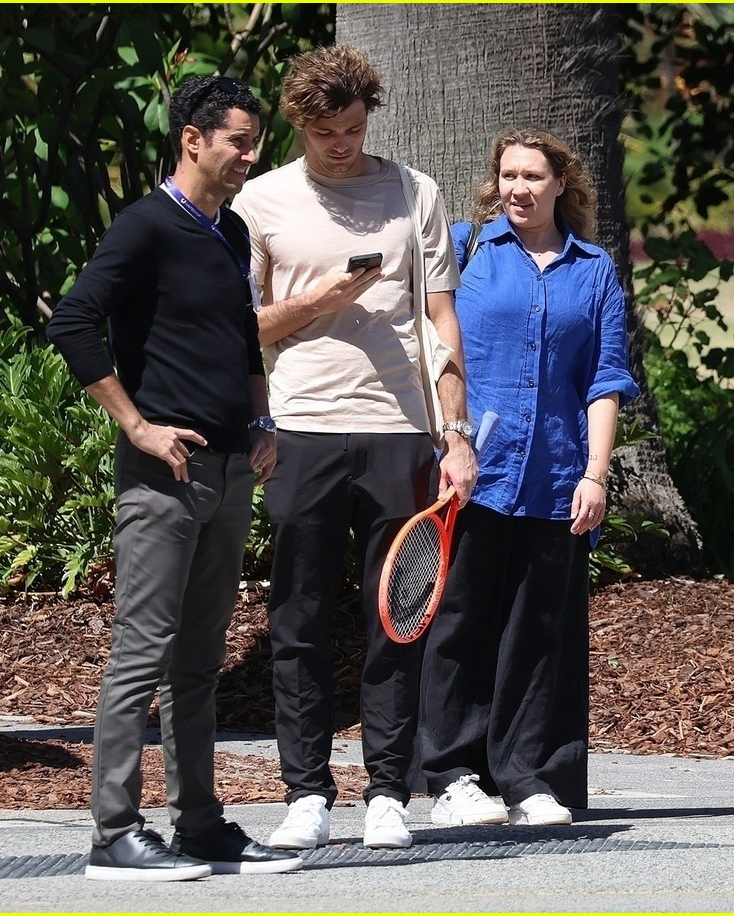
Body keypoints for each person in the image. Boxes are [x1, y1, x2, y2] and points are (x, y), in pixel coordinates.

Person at [47, 75, 300, 880]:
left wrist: (261, 420)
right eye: (239, 143)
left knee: (198, 661)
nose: (251, 156)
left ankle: (199, 825)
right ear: (193, 139)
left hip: (230, 469)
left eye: (254, 143)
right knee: (142, 652)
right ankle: (114, 833)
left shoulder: (229, 230)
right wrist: (137, 424)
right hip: (166, 474)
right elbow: (73, 322)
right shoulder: (145, 227)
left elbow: (241, 338)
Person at [230, 44, 476, 851]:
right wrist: (325, 299)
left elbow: (442, 319)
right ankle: (305, 792)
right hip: (301, 426)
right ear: (298, 124)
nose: (342, 145)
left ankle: (388, 792)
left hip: (400, 430)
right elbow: (245, 327)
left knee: (396, 617)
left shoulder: (414, 191)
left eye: (354, 129)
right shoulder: (261, 201)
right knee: (298, 617)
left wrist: (456, 434)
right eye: (325, 132)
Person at [417, 127, 640, 827]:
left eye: (533, 176)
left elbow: (604, 380)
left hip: (556, 474)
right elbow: (432, 351)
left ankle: (529, 778)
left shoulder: (594, 270)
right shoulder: (466, 250)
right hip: (473, 471)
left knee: (539, 634)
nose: (519, 188)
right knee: (460, 623)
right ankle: (452, 776)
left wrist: (596, 474)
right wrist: (450, 440)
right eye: (508, 176)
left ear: (560, 184)